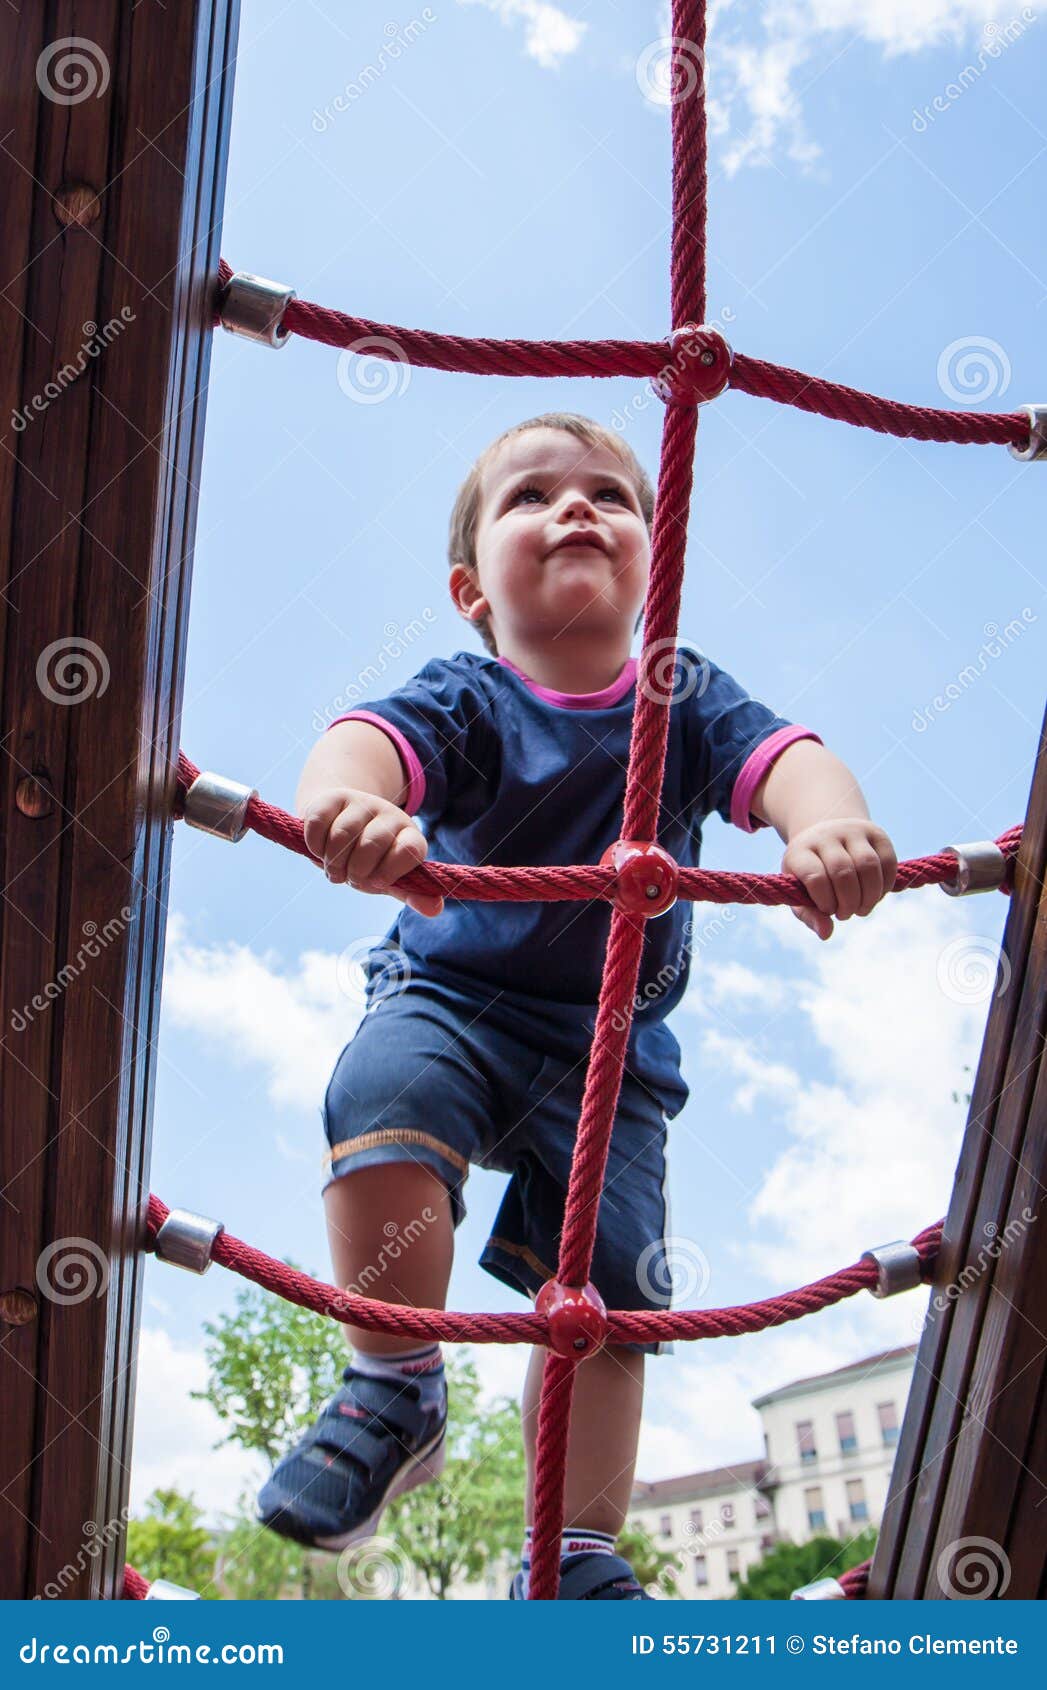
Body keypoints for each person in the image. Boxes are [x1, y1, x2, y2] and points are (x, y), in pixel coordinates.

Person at [258, 411, 898, 1599]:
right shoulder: (470, 694)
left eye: (609, 493)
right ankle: (394, 1378)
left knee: (609, 1289)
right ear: (469, 588)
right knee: (379, 1095)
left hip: (611, 1047)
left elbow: (789, 755)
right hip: (450, 994)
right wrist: (353, 806)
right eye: (531, 496)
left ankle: (573, 1547)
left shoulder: (679, 692)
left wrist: (826, 821)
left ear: (653, 564)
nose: (575, 509)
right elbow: (361, 745)